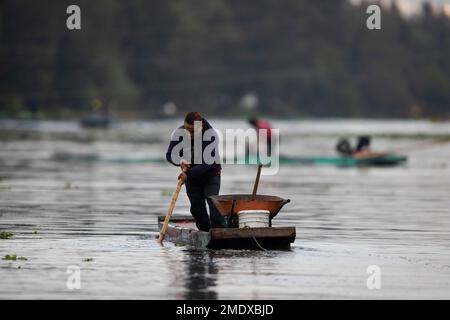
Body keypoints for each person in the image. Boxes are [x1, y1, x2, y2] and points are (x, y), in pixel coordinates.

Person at [166, 112, 226, 231]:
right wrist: (180, 161)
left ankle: (220, 231)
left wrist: (187, 175)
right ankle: (205, 232)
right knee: (197, 209)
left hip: (211, 174)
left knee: (213, 203)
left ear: (201, 126)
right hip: (192, 177)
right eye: (187, 129)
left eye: (193, 131)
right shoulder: (179, 133)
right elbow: (169, 155)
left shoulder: (211, 135)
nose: (189, 134)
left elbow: (208, 163)